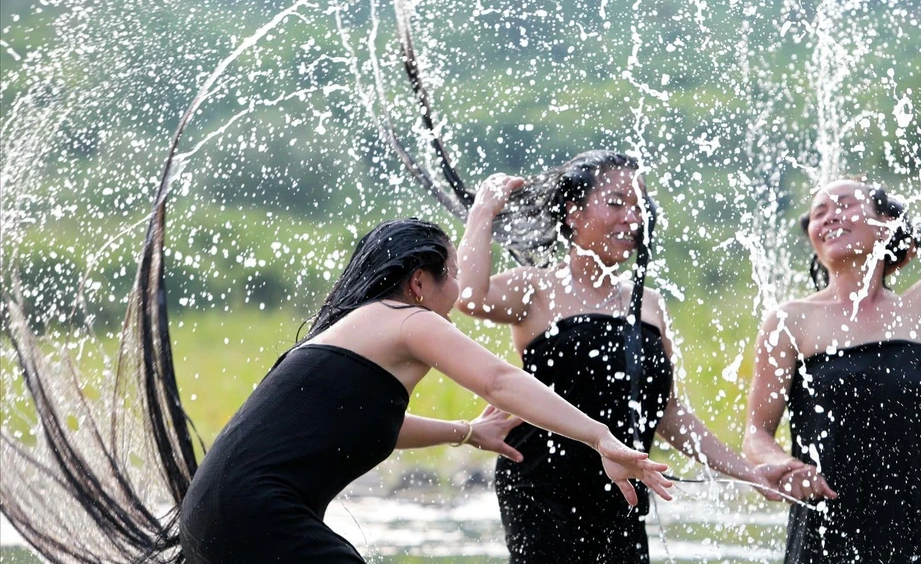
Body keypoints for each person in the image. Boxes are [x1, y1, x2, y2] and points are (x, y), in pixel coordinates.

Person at [177, 218, 674, 563]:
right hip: (258, 512)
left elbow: (371, 427)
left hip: (215, 514)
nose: (458, 290)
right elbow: (500, 380)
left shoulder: (365, 330)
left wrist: (467, 432)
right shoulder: (408, 320)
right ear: (419, 283)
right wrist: (600, 437)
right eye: (453, 274)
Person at [455, 150, 792, 564]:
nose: (631, 218)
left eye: (638, 206)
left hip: (624, 489)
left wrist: (749, 472)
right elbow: (469, 297)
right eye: (616, 203)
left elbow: (667, 413)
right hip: (542, 488)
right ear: (574, 214)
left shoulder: (648, 304)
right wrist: (484, 211)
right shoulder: (536, 288)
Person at [742, 179, 921, 564]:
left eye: (845, 205)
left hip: (919, 532)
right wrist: (784, 465)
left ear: (886, 222)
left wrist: (918, 235)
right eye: (819, 213)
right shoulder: (790, 321)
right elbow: (756, 433)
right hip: (826, 533)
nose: (830, 218)